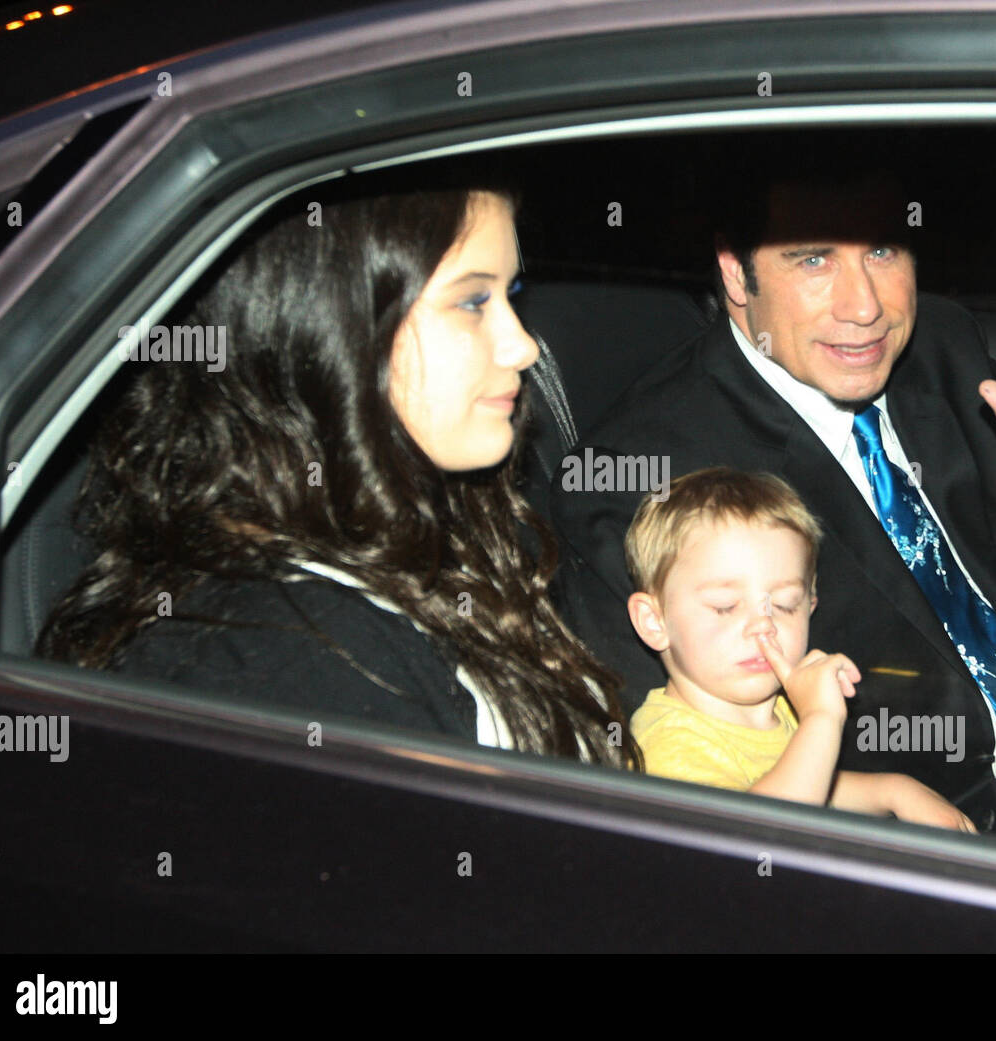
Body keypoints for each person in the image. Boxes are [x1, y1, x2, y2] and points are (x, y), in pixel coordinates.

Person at [550, 172, 996, 848]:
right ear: (735, 275)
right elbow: (675, 806)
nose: (864, 306)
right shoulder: (640, 477)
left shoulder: (942, 346)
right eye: (813, 258)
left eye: (884, 250)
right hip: (948, 817)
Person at [39, 184, 633, 767]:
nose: (523, 346)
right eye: (473, 302)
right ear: (326, 327)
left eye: (513, 294)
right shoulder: (281, 658)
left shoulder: (428, 541)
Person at [625, 466, 976, 831]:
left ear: (810, 605)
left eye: (785, 604)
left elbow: (811, 785)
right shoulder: (667, 744)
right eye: (725, 606)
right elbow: (753, 838)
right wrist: (820, 721)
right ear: (655, 622)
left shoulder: (781, 706)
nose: (763, 624)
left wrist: (894, 791)